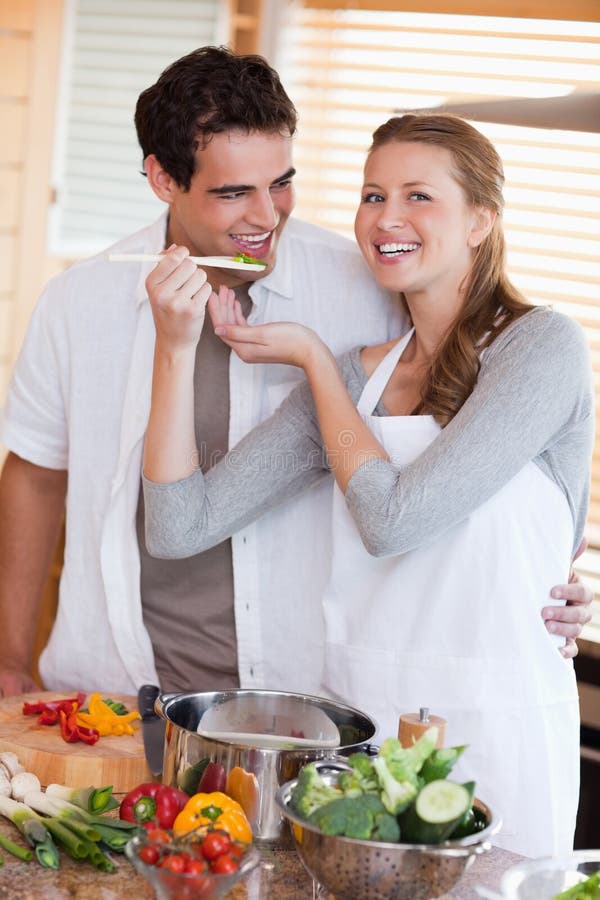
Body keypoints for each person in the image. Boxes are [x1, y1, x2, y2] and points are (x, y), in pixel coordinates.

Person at [0, 49, 590, 698]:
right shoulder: (80, 301)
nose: (266, 215)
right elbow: (118, 505)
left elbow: (491, 493)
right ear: (164, 179)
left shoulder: (383, 291)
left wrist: (555, 581)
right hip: (124, 681)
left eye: (280, 183)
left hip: (327, 697)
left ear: (483, 218)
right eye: (233, 192)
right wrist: (9, 656)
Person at [141, 113, 594, 858]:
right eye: (373, 195)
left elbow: (394, 522)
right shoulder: (356, 377)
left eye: (419, 196)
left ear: (481, 220)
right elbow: (178, 527)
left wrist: (314, 363)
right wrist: (175, 345)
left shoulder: (541, 348)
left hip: (497, 724)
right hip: (364, 729)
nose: (386, 219)